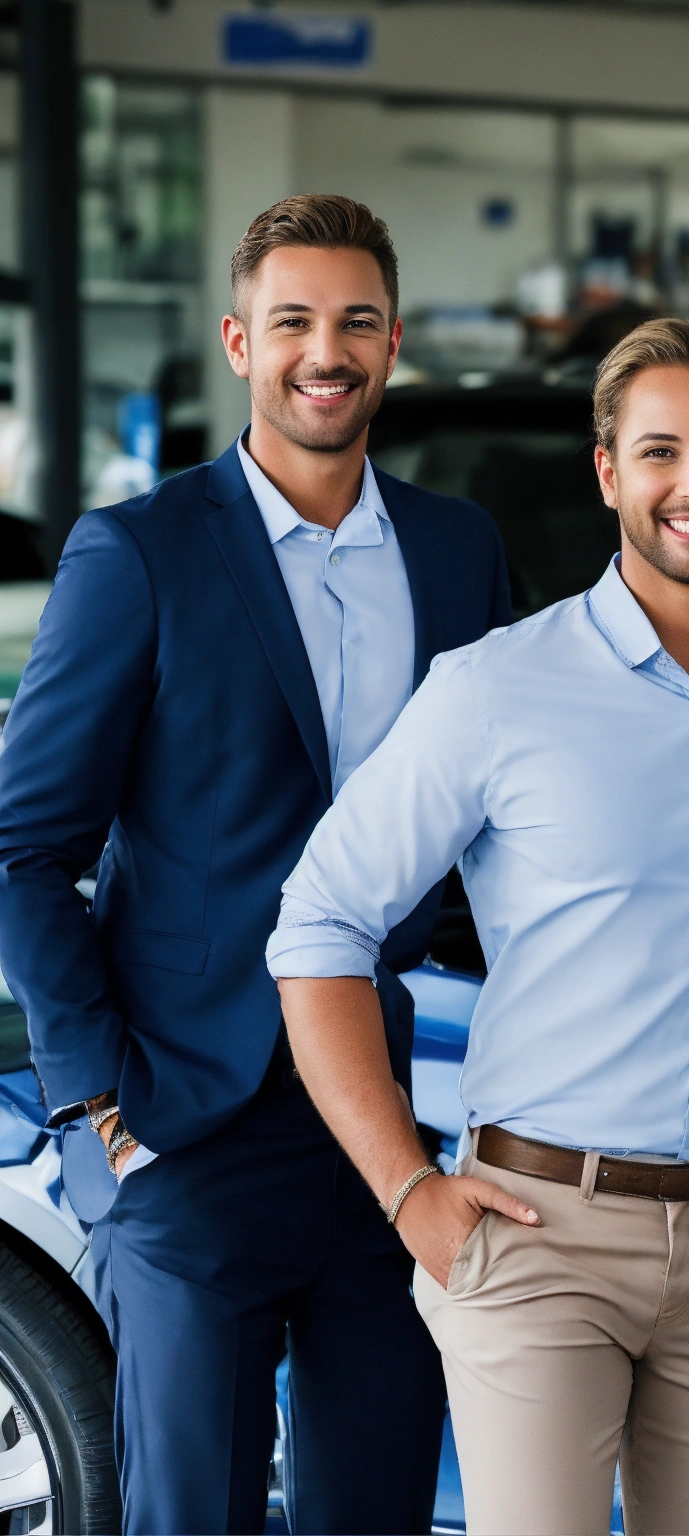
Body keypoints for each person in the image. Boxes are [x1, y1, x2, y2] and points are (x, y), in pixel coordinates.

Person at [267, 318, 689, 1535]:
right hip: (539, 1239)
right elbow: (318, 925)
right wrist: (406, 1190)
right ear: (606, 473)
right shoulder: (495, 688)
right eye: (659, 453)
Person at [0, 195, 508, 1535]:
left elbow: (501, 839)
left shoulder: (458, 552)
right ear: (240, 342)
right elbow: (24, 848)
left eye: (355, 322)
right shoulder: (140, 553)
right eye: (292, 322)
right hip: (187, 1125)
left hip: (385, 1127)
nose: (324, 352)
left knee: (378, 1510)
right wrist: (97, 1108)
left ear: (392, 341)